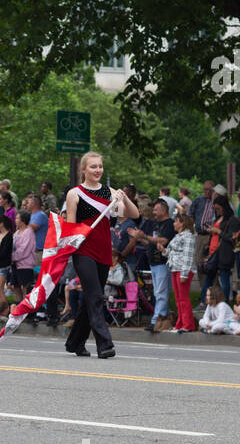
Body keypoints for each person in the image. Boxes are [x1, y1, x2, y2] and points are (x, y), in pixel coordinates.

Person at [64, 152, 138, 358]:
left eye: (100, 167)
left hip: (104, 251)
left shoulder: (109, 192)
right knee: (96, 296)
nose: (97, 170)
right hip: (83, 251)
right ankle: (104, 344)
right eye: (93, 167)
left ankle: (75, 342)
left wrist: (122, 197)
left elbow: (133, 214)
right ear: (84, 170)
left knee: (91, 297)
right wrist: (75, 237)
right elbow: (70, 227)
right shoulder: (75, 194)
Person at [130, 198, 174, 333]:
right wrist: (139, 237)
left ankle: (155, 321)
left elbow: (164, 240)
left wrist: (145, 236)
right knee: (158, 292)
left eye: (156, 209)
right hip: (153, 263)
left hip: (163, 262)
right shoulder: (155, 224)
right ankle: (164, 318)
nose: (153, 212)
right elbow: (150, 242)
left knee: (161, 292)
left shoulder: (169, 224)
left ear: (164, 210)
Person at [166, 213, 197, 333]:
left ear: (182, 223)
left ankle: (188, 324)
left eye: (176, 221)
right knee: (178, 298)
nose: (174, 223)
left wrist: (184, 273)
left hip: (183, 270)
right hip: (174, 268)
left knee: (183, 298)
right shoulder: (177, 236)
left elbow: (188, 256)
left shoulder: (188, 236)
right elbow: (171, 252)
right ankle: (180, 323)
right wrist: (164, 250)